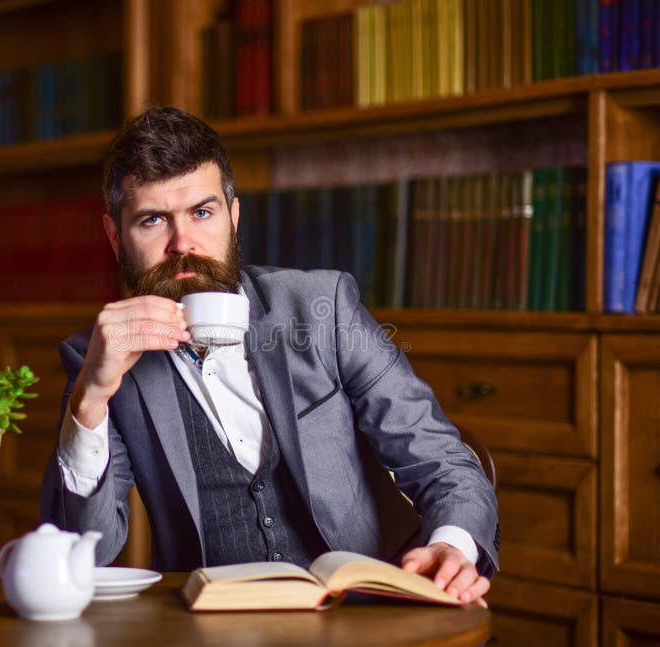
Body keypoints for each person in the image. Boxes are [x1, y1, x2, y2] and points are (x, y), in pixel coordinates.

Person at [40, 106, 499, 606]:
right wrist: (91, 397)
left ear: (233, 218)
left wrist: (452, 547)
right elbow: (84, 553)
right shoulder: (95, 357)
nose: (182, 244)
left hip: (360, 616)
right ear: (115, 236)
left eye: (202, 212)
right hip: (208, 628)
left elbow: (444, 464)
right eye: (153, 220)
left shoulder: (324, 310)